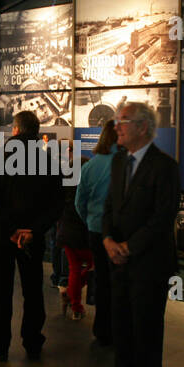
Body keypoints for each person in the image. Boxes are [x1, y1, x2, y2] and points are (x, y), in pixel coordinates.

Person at [99, 101, 180, 367]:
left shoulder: (164, 167)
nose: (116, 126)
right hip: (117, 260)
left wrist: (129, 248)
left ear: (143, 127)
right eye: (117, 121)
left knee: (146, 324)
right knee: (120, 321)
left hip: (149, 263)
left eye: (123, 121)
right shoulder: (119, 162)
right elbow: (109, 207)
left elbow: (162, 217)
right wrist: (107, 239)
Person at [0, 111, 63, 361]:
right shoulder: (49, 160)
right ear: (37, 131)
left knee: (0, 291)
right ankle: (32, 341)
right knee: (33, 289)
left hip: (1, 238)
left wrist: (9, 231)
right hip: (32, 239)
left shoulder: (1, 156)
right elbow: (56, 204)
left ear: (16, 130)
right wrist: (33, 230)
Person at [75, 120, 117, 344]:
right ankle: (120, 328)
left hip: (95, 231)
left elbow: (79, 201)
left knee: (101, 279)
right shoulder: (127, 164)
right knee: (120, 282)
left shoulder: (90, 166)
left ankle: (102, 328)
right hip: (121, 234)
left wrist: (90, 221)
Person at [57, 145, 94, 322]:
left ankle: (75, 306)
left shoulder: (64, 189)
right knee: (95, 266)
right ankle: (71, 296)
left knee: (73, 269)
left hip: (67, 236)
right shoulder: (89, 192)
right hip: (86, 237)